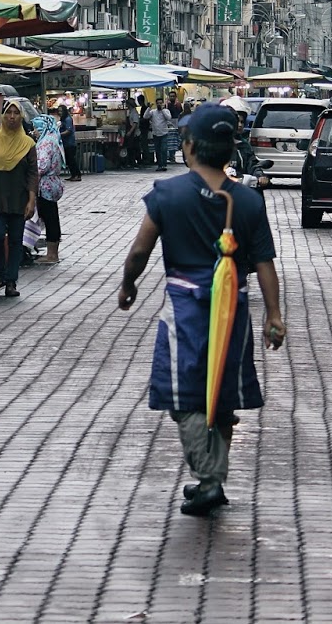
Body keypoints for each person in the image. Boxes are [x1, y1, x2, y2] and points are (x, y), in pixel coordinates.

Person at [116, 104, 286, 517]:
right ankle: (213, 477)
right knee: (222, 398)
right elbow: (265, 263)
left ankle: (209, 477)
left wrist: (129, 283)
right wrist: (274, 316)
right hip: (235, 310)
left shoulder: (167, 195)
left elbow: (140, 249)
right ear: (230, 149)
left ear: (188, 147)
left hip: (185, 309)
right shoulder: (246, 201)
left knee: (183, 395)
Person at [0, 101, 37, 298]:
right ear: (3, 116)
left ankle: (11, 281)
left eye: (15, 113)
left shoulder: (28, 144)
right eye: (8, 113)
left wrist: (31, 200)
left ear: (21, 117)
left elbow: (32, 174)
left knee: (15, 241)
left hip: (19, 199)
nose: (12, 116)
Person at [31, 114, 67, 265]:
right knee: (52, 216)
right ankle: (52, 253)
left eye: (36, 129)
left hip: (45, 186)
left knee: (50, 217)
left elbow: (42, 165)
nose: (34, 132)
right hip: (52, 184)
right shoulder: (53, 139)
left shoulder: (46, 142)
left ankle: (52, 255)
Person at [57, 103, 81, 181]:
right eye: (59, 111)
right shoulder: (62, 119)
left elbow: (69, 131)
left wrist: (58, 135)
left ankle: (77, 175)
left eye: (61, 111)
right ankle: (73, 175)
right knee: (68, 160)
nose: (60, 112)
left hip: (70, 143)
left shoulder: (67, 119)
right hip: (65, 143)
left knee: (71, 160)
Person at [149, 98, 173, 171]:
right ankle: (159, 164)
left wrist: (162, 110)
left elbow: (169, 118)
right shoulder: (153, 112)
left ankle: (164, 164)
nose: (159, 104)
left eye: (160, 103)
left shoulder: (166, 111)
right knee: (157, 150)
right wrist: (148, 108)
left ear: (163, 104)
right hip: (156, 133)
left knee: (164, 149)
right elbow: (145, 116)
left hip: (164, 133)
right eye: (158, 103)